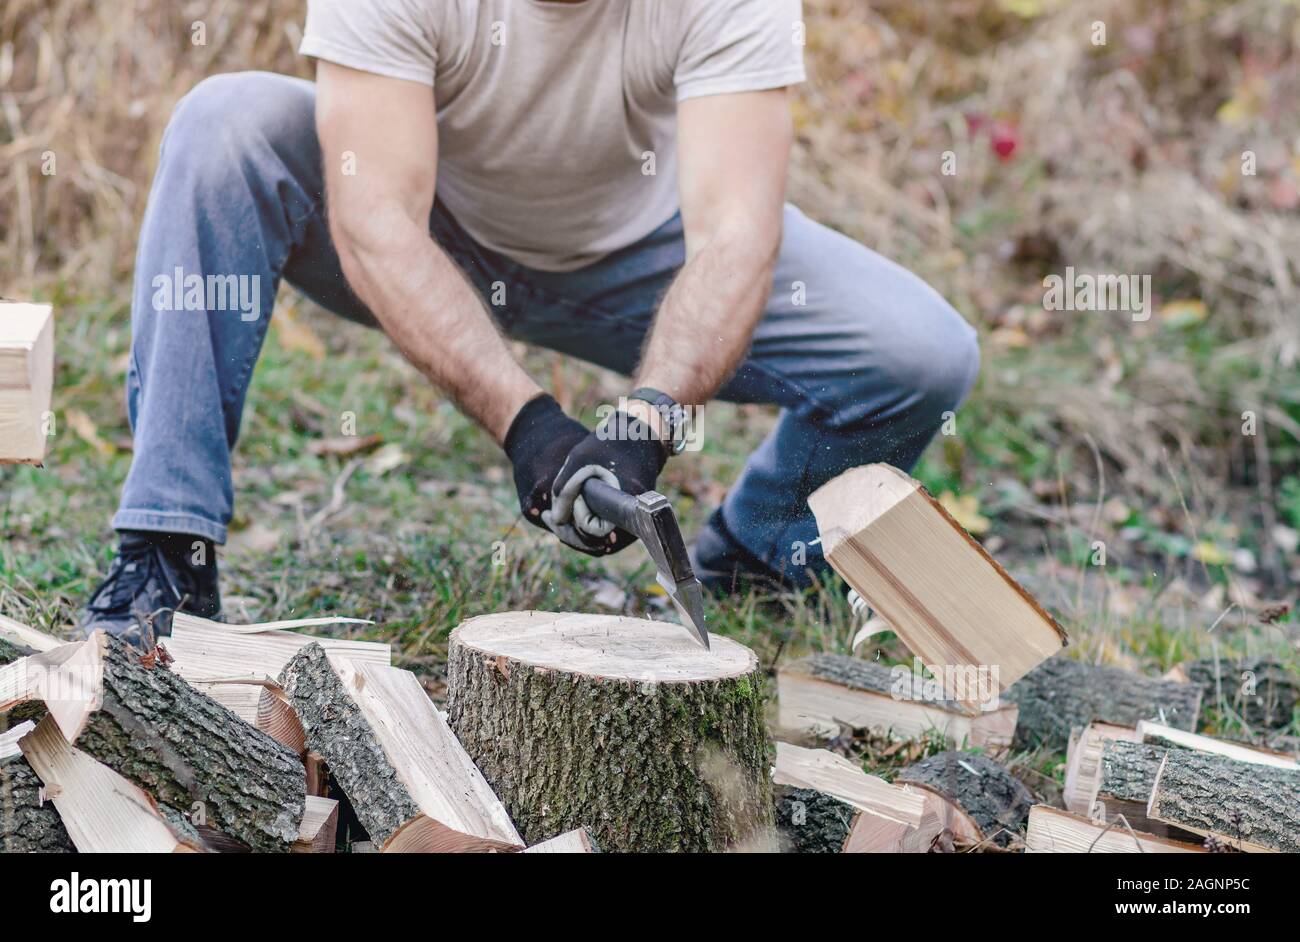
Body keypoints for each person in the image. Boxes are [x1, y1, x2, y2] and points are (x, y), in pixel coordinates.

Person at [80, 0, 979, 647]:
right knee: (225, 125)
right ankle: (167, 549)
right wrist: (531, 428)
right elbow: (376, 217)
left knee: (921, 354)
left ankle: (755, 560)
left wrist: (650, 418)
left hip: (643, 262)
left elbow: (736, 235)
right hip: (434, 232)